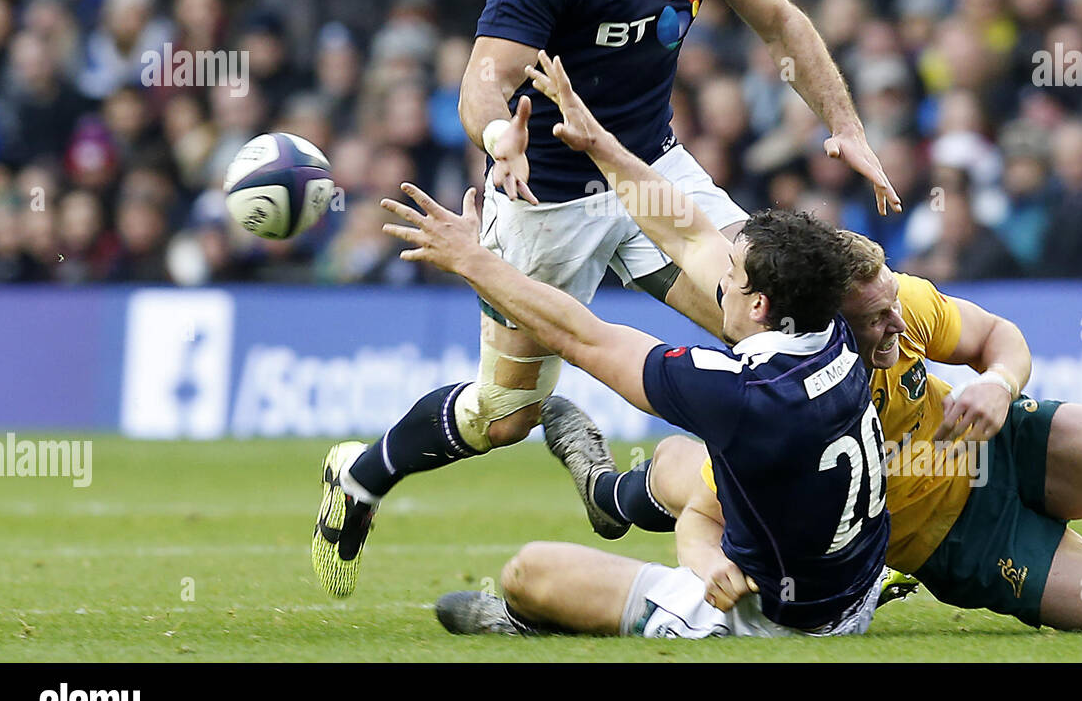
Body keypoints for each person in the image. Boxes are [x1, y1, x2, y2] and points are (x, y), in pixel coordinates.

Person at [312, 0, 899, 597]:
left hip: (653, 174)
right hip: (545, 197)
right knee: (503, 416)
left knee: (778, 329)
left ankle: (824, 552)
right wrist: (496, 136)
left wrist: (844, 124)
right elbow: (485, 70)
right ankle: (362, 473)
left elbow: (781, 21)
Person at [524, 49, 1082, 634]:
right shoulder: (792, 391)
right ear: (823, 318)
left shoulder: (895, 299)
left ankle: (610, 490)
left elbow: (998, 335)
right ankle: (610, 493)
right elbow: (710, 514)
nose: (898, 327)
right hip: (958, 540)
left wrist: (999, 384)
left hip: (999, 445)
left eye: (892, 305)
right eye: (876, 320)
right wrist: (708, 564)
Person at [376, 176, 888, 639]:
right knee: (672, 459)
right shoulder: (829, 329)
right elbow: (697, 239)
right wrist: (600, 144)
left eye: (732, 274)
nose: (721, 283)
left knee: (529, 572)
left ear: (760, 306)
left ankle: (530, 622)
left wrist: (472, 260)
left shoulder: (743, 395)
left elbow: (582, 338)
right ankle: (606, 495)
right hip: (852, 583)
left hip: (777, 618)